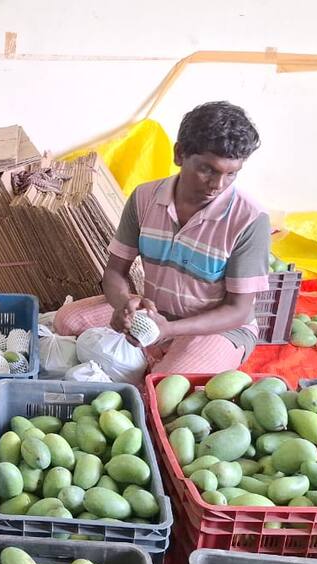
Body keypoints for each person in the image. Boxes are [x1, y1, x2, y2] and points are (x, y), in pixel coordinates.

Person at [55, 101, 271, 374]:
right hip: (158, 314)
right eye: (207, 169)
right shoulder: (145, 198)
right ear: (179, 154)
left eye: (231, 174)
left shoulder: (249, 219)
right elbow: (114, 272)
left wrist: (170, 330)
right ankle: (159, 350)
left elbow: (238, 310)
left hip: (218, 327)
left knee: (164, 385)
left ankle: (170, 355)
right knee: (67, 321)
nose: (217, 185)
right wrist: (124, 305)